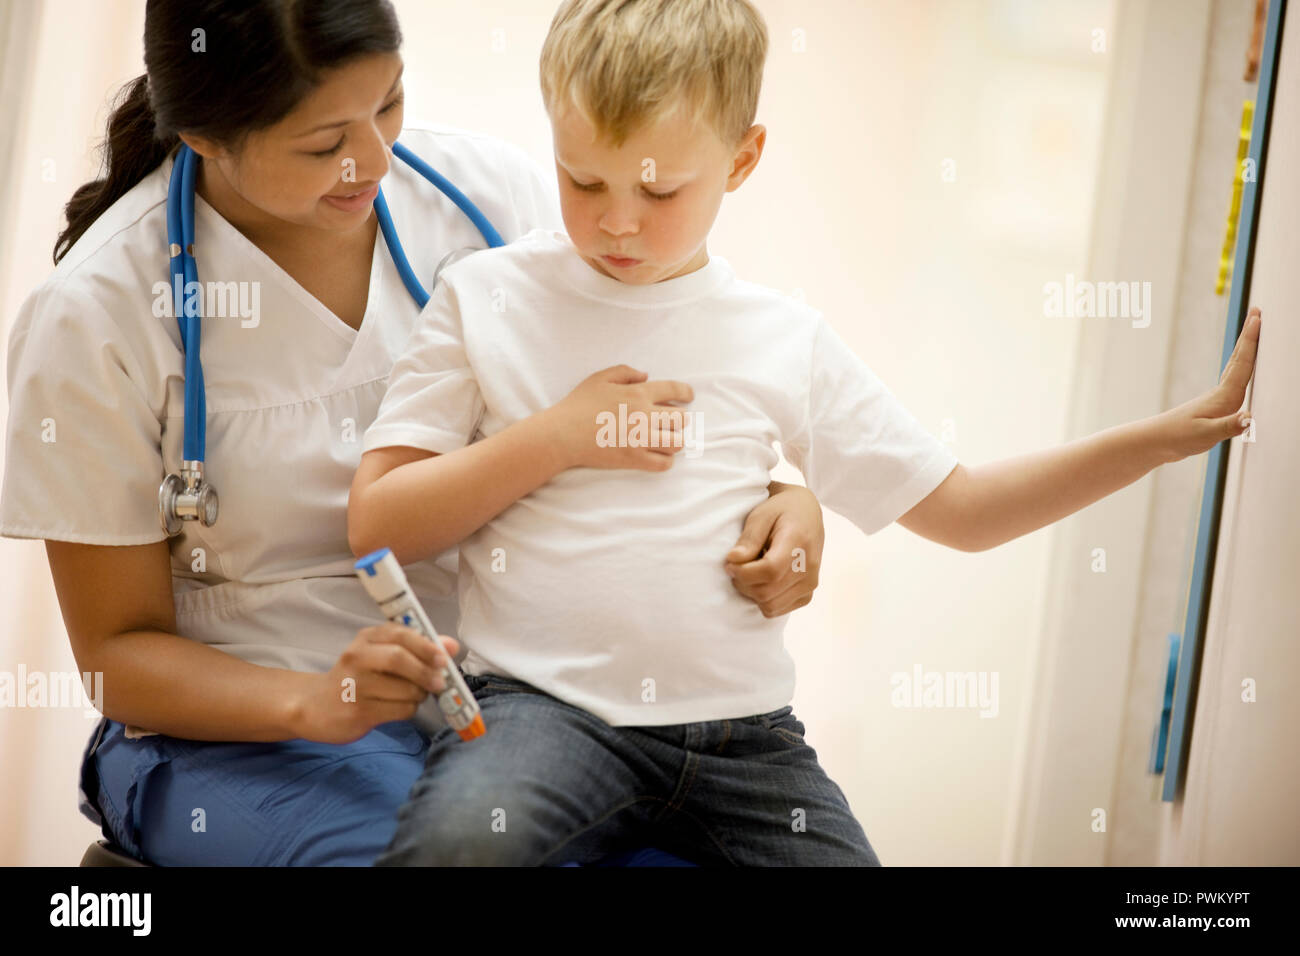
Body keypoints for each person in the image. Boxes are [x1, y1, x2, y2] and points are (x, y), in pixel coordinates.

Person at [349, 0, 1262, 866]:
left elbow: (967, 511)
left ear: (743, 160)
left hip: (745, 744)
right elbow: (377, 523)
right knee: (454, 850)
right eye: (583, 179)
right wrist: (556, 438)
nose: (617, 219)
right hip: (542, 715)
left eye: (660, 188)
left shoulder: (779, 337)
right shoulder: (487, 297)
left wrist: (1161, 439)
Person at [0, 0, 831, 867]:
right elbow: (118, 657)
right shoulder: (97, 316)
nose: (375, 159)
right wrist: (314, 702)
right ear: (207, 136)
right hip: (243, 739)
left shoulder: (486, 201)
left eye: (390, 104)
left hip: (518, 712)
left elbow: (632, 404)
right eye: (324, 144)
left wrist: (783, 498)